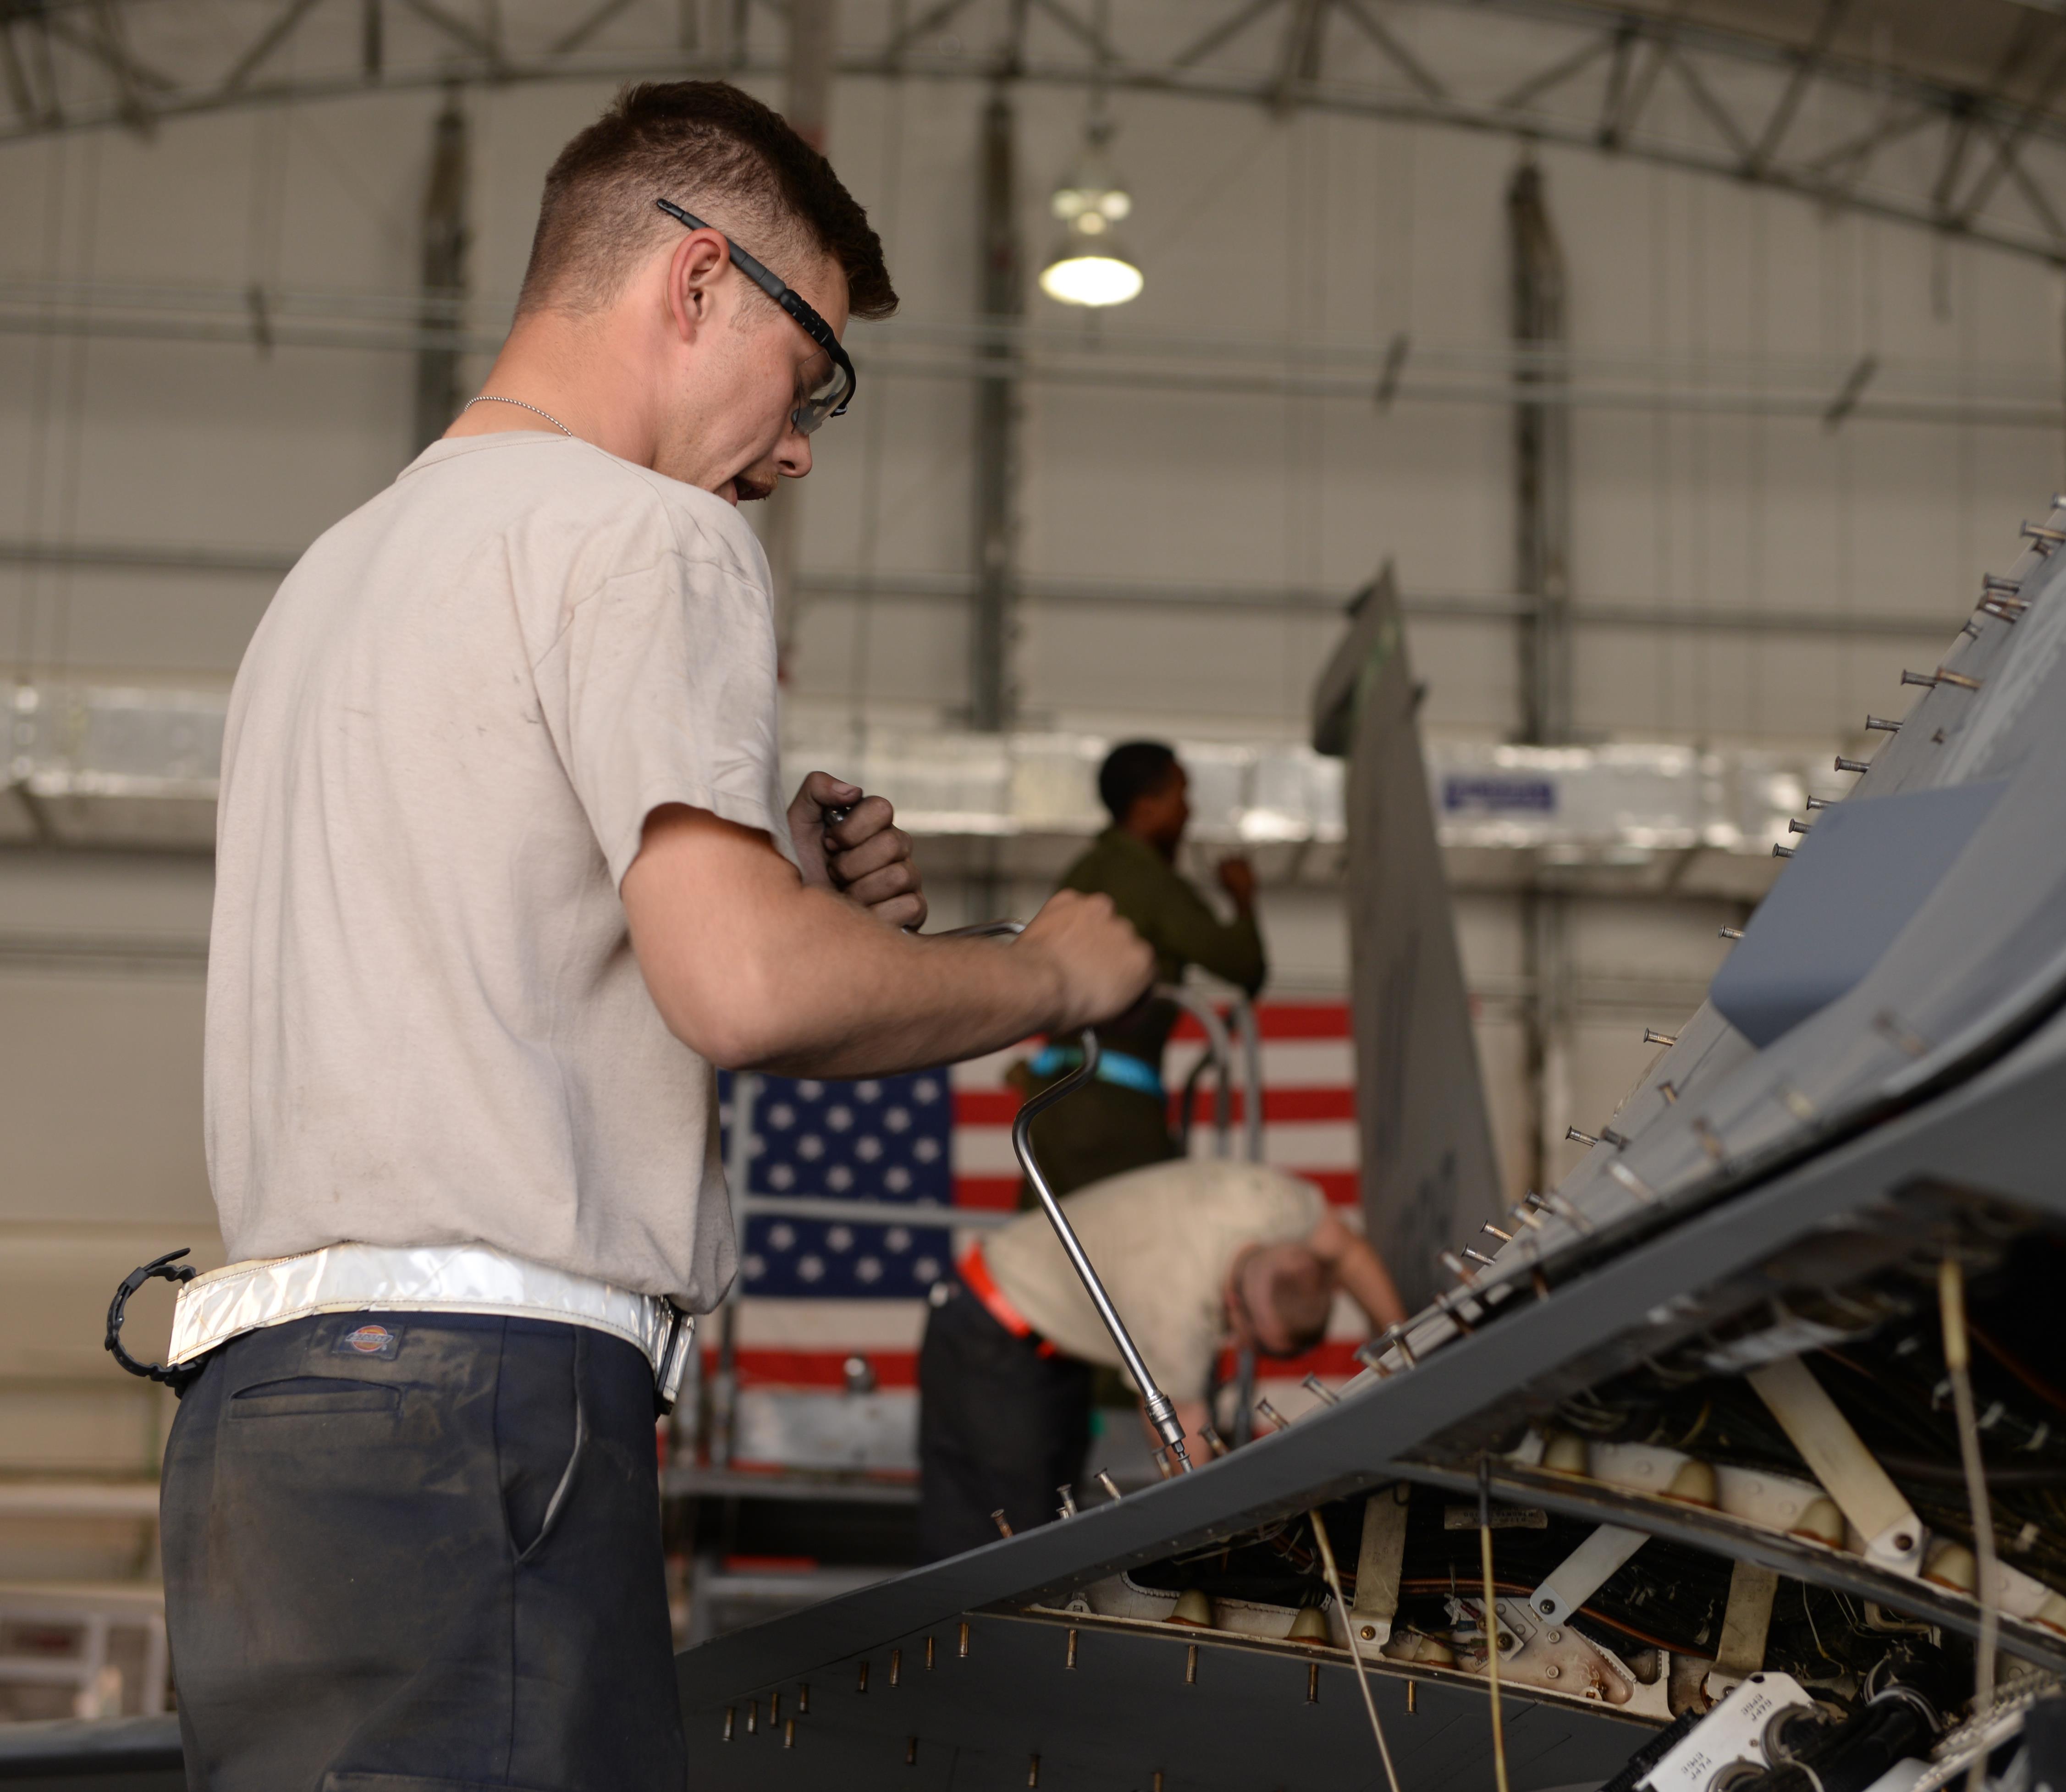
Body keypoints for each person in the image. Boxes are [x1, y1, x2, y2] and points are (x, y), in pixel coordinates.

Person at [160, 83, 1151, 1792]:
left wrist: (795, 899)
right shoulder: (649, 535)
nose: (796, 449)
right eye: (811, 372)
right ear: (696, 283)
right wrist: (1052, 971)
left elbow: (535, 960)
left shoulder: (338, 574)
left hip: (270, 1416)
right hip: (487, 1411)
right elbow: (745, 988)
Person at [915, 1158, 1405, 1561]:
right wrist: (1228, 1544)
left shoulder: (1268, 1201)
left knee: (1049, 1519)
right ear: (1235, 1308)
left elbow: (1350, 1254)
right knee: (997, 1543)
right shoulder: (1175, 1305)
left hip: (1049, 1341)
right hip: (990, 1338)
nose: (1246, 1352)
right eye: (1255, 1344)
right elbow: (1183, 1451)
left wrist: (1405, 1355)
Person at [1019, 741, 1267, 1198]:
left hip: (1047, 1100)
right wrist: (1243, 898)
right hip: (1114, 1111)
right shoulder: (1152, 882)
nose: (1188, 812)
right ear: (1147, 809)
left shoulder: (1081, 871)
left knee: (1047, 1248)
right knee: (1140, 1245)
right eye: (1181, 797)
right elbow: (1244, 965)